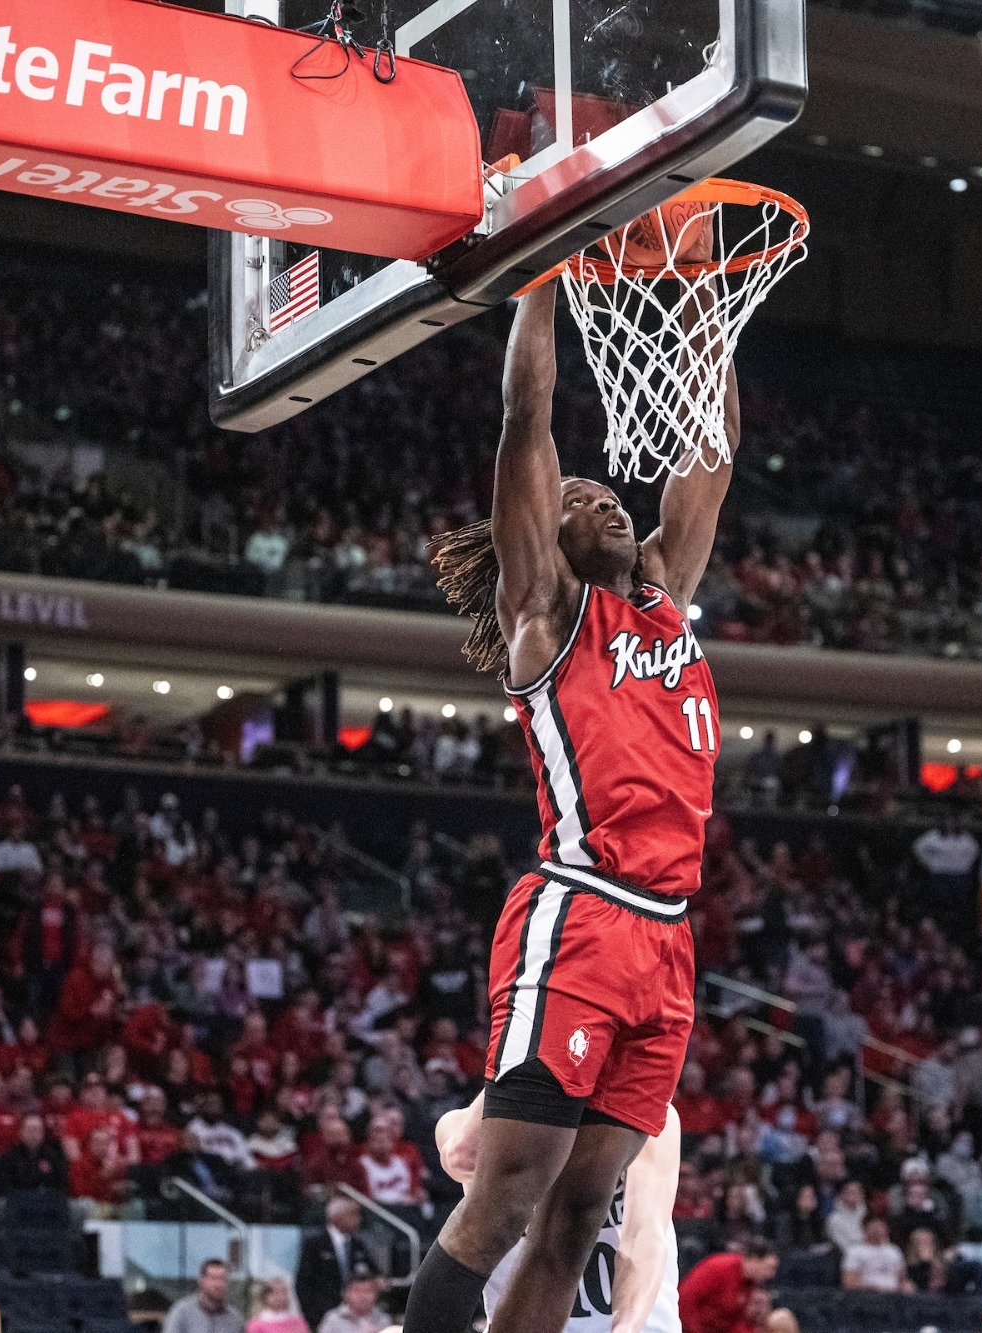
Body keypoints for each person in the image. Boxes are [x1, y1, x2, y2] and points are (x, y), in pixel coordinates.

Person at [408, 266, 737, 1333]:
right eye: (575, 499)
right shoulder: (544, 620)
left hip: (668, 938)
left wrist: (707, 297)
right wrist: (539, 280)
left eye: (607, 493)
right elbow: (526, 418)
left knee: (582, 1210)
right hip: (580, 914)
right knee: (505, 1198)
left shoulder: (662, 600)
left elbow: (710, 448)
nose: (598, 498)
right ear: (539, 542)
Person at [438, 1092, 681, 1333]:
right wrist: (519, 1074)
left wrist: (626, 1328)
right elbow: (460, 1157)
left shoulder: (646, 1112)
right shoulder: (464, 1129)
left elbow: (643, 1238)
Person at [297, 1197, 378, 1331]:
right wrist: (312, 1316)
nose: (358, 1219)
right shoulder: (315, 1244)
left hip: (356, 1316)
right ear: (337, 1217)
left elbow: (373, 1271)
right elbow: (303, 1282)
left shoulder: (357, 1244)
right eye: (353, 1214)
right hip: (323, 1313)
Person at [679, 1243, 779, 1333]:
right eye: (769, 1267)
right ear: (754, 1260)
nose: (771, 1274)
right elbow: (686, 1297)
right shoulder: (719, 1267)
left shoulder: (750, 1284)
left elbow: (734, 1320)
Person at [165, 1260, 242, 1333]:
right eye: (213, 1278)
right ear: (201, 1281)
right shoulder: (182, 1313)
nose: (218, 1284)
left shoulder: (235, 1320)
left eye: (222, 1279)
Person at [841, 1217, 910, 1294]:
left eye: (881, 1227)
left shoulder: (894, 1250)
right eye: (874, 1227)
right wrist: (873, 1288)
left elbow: (902, 1278)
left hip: (893, 1295)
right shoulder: (855, 1251)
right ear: (865, 1229)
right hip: (867, 1295)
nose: (877, 1230)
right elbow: (849, 1282)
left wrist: (905, 1286)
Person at [316, 1279, 386, 1333]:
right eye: (357, 1291)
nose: (363, 1296)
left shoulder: (383, 1318)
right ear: (346, 1294)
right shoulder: (333, 1319)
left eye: (368, 1291)